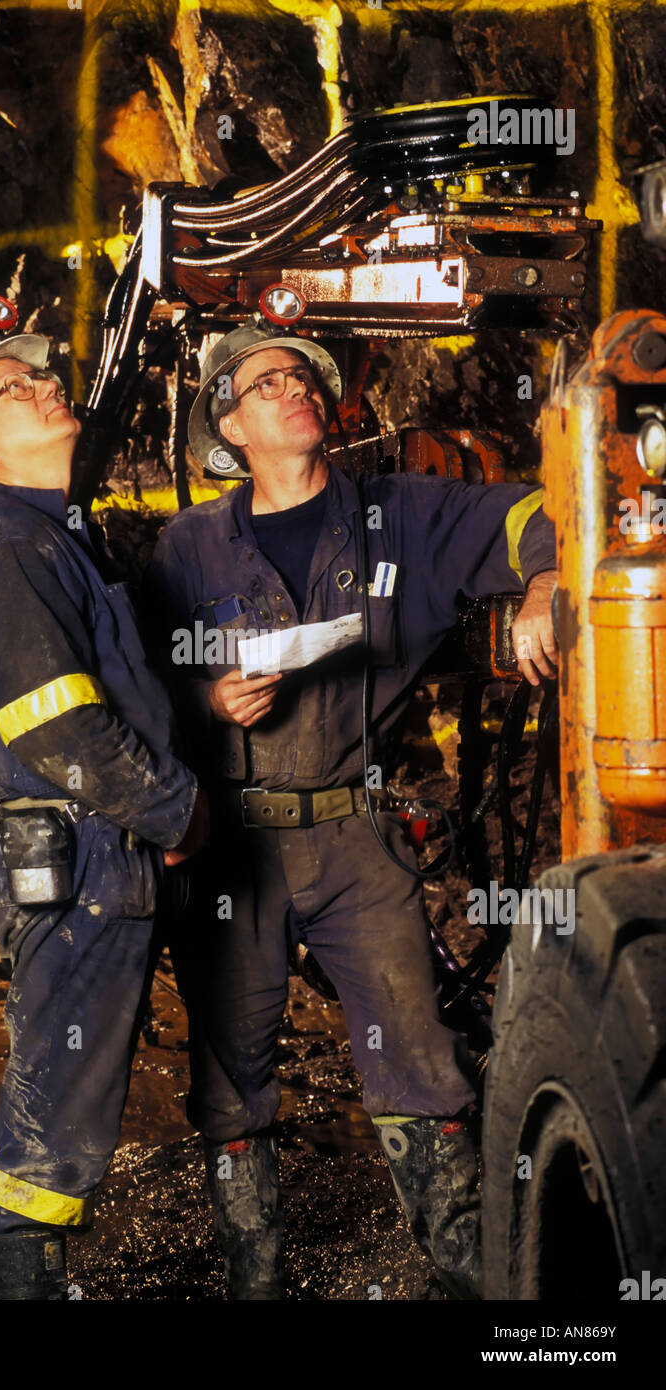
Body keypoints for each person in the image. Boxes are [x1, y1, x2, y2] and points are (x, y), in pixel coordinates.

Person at [146, 316, 557, 1300]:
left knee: (416, 1059)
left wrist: (542, 581)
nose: (290, 387)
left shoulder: (399, 515)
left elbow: (531, 513)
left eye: (300, 374)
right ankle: (258, 1274)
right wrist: (206, 696)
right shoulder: (188, 545)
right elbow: (142, 675)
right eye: (263, 382)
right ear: (230, 428)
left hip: (355, 839)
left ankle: (472, 1276)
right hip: (232, 843)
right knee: (230, 1082)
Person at [0, 315, 206, 1299]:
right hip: (76, 858)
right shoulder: (6, 543)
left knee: (62, 1104)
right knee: (57, 1125)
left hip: (90, 851)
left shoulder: (48, 536)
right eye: (11, 390)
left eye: (39, 374)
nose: (45, 386)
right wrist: (177, 811)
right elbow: (57, 731)